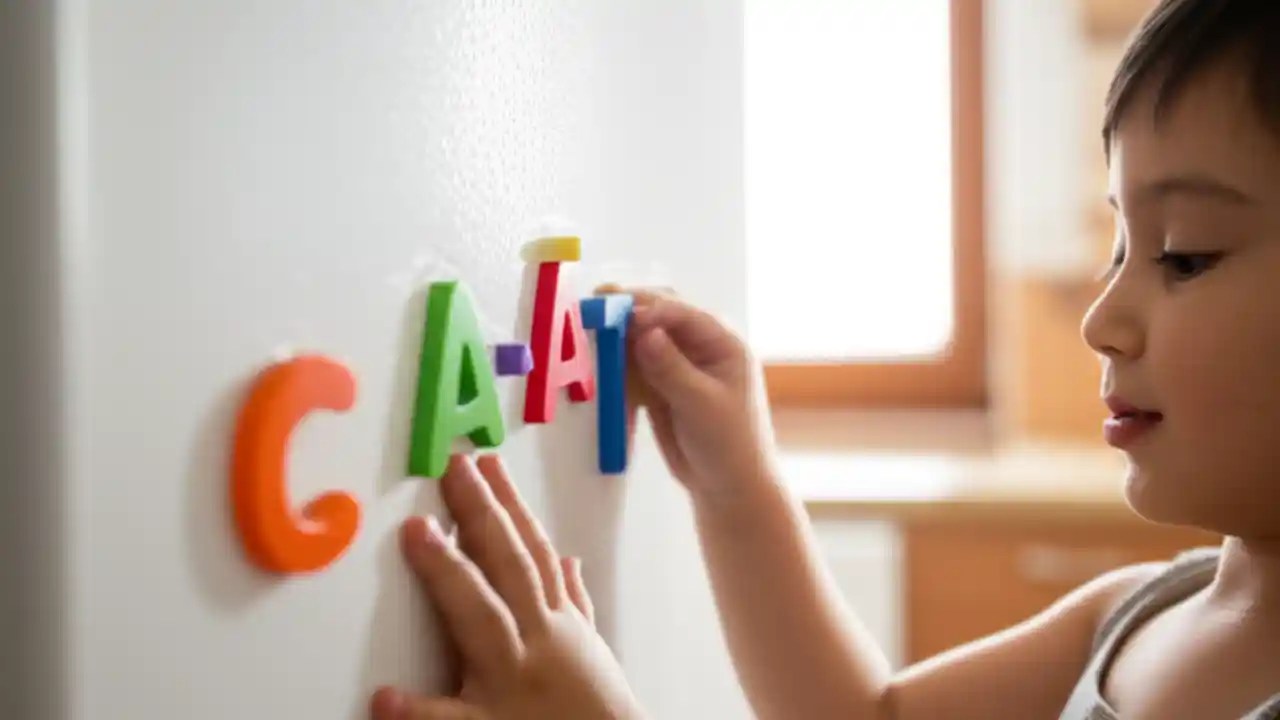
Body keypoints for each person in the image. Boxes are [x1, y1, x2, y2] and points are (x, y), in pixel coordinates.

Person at [370, 0, 1280, 716]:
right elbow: (863, 715)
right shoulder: (1132, 620)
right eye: (1120, 245)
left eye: (1187, 254)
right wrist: (738, 486)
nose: (1101, 318)